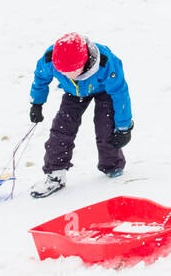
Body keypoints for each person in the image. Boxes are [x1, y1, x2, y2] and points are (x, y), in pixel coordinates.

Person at [27, 32, 134, 198]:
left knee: (106, 128)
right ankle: (56, 173)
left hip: (105, 91)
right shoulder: (49, 59)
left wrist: (124, 127)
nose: (67, 75)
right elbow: (40, 78)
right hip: (73, 93)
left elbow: (120, 94)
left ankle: (112, 165)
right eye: (62, 72)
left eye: (72, 71)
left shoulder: (106, 63)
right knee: (61, 130)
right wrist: (37, 103)